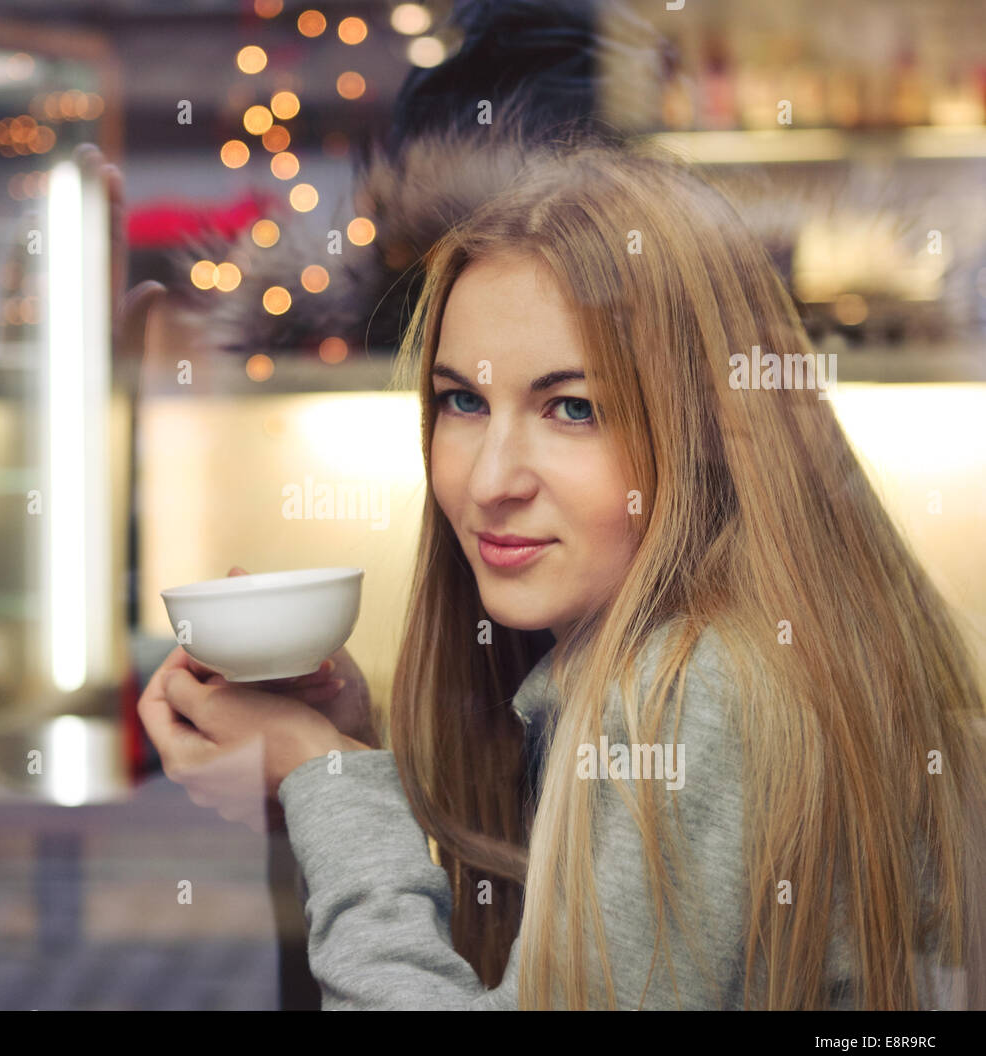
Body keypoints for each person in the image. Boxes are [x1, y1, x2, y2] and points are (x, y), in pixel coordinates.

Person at [135, 139, 986, 1011]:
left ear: (706, 436)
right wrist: (342, 754)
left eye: (572, 408)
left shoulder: (690, 689)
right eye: (463, 400)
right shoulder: (730, 659)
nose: (491, 480)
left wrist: (328, 777)